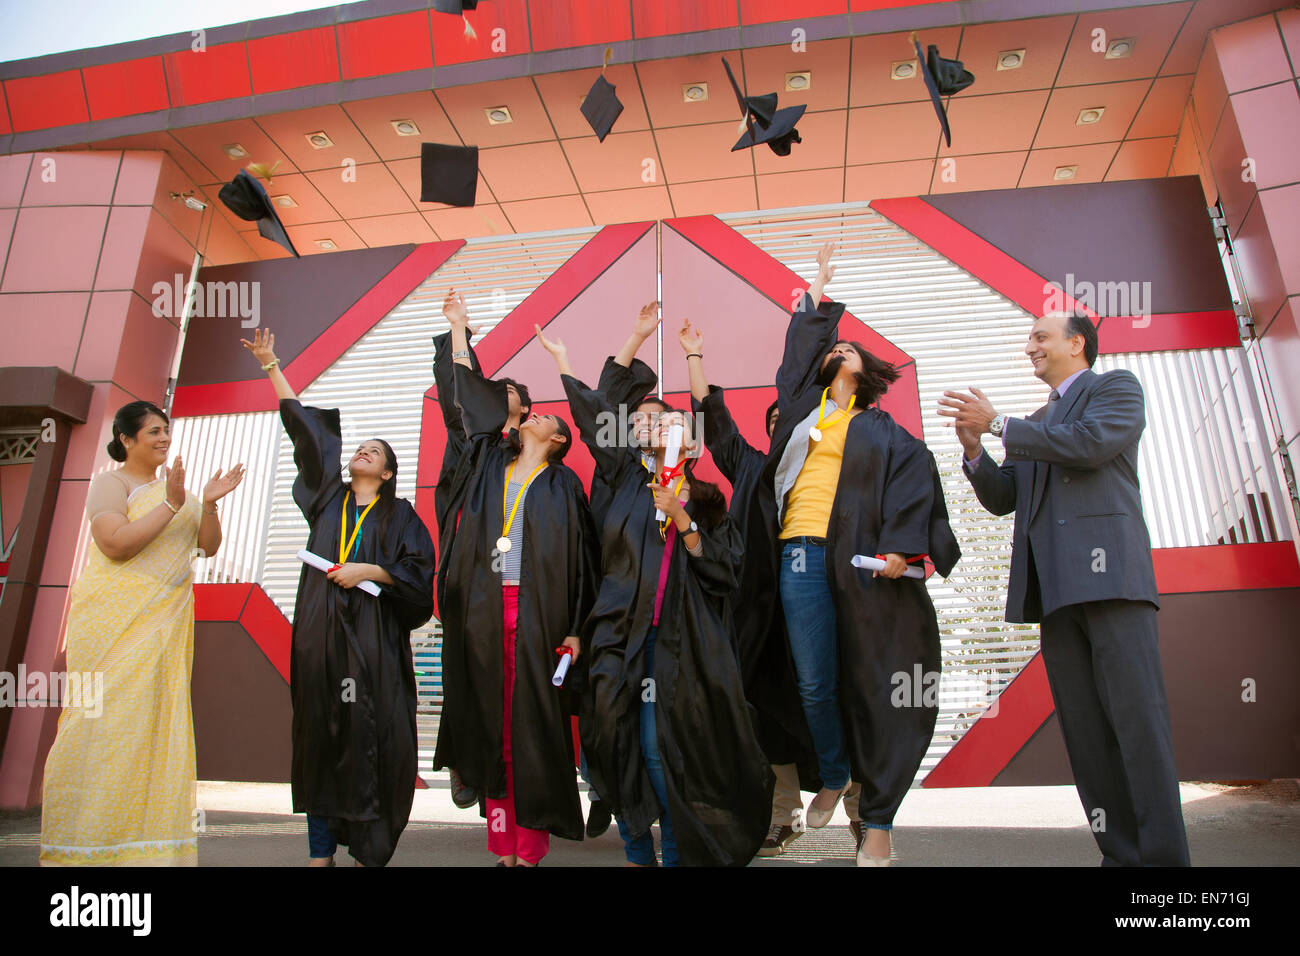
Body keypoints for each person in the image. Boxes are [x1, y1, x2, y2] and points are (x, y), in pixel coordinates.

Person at [938, 310, 1190, 866]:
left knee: (1137, 726)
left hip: (1112, 585)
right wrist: (975, 449)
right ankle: (1121, 858)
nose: (1029, 346)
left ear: (1077, 344)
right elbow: (1006, 497)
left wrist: (1000, 424)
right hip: (1054, 596)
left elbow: (1092, 443)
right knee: (1088, 736)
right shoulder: (1034, 422)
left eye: (1039, 337)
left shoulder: (1114, 388)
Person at [745, 242, 961, 867]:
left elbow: (914, 480)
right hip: (798, 557)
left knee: (868, 682)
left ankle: (877, 814)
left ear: (866, 371)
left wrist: (901, 550)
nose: (839, 352)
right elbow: (796, 356)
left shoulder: (884, 431)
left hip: (858, 565)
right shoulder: (798, 413)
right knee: (812, 682)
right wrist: (814, 291)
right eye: (832, 348)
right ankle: (836, 774)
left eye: (848, 349)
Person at [538, 312, 773, 867]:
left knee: (656, 751)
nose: (645, 424)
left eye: (658, 420)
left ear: (682, 437)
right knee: (607, 750)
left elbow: (726, 572)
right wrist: (617, 343)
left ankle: (672, 853)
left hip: (679, 641)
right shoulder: (620, 477)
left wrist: (685, 522)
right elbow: (596, 413)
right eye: (637, 421)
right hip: (619, 630)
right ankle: (638, 844)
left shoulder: (709, 502)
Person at [242, 329, 436, 868]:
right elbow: (306, 435)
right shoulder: (327, 499)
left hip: (373, 643)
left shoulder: (401, 518)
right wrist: (272, 366)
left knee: (374, 737)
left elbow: (421, 578)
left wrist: (373, 569)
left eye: (376, 451)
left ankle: (369, 850)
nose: (364, 450)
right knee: (320, 740)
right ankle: (319, 853)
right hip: (321, 635)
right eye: (361, 447)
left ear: (389, 472)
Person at [678, 317, 866, 858]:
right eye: (778, 417)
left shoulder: (839, 467)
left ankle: (861, 815)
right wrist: (694, 357)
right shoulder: (754, 468)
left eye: (797, 415)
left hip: (825, 592)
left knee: (840, 699)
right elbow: (717, 425)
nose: (788, 421)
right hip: (762, 609)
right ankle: (783, 818)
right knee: (765, 710)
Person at [432, 291, 599, 866]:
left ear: (557, 441)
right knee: (492, 723)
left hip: (539, 612)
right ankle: (501, 844)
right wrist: (459, 329)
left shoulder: (564, 487)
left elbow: (581, 564)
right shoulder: (486, 463)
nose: (537, 414)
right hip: (483, 606)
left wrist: (577, 629)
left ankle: (530, 846)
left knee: (535, 726)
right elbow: (467, 406)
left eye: (548, 418)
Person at [40, 401, 244, 865]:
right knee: (103, 727)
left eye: (166, 430)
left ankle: (144, 852)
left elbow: (207, 547)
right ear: (126, 439)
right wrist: (172, 505)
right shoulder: (111, 483)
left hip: (165, 626)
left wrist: (207, 504)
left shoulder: (175, 491)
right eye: (153, 431)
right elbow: (113, 544)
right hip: (114, 624)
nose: (163, 437)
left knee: (153, 731)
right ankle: (82, 847)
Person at [431, 299, 532, 812]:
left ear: (526, 410)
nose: (497, 394)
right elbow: (461, 397)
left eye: (508, 392)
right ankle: (464, 761)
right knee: (465, 665)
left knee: (515, 682)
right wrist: (457, 332)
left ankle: (509, 774)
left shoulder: (536, 456)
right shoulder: (474, 441)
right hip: (471, 569)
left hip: (518, 582)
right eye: (494, 390)